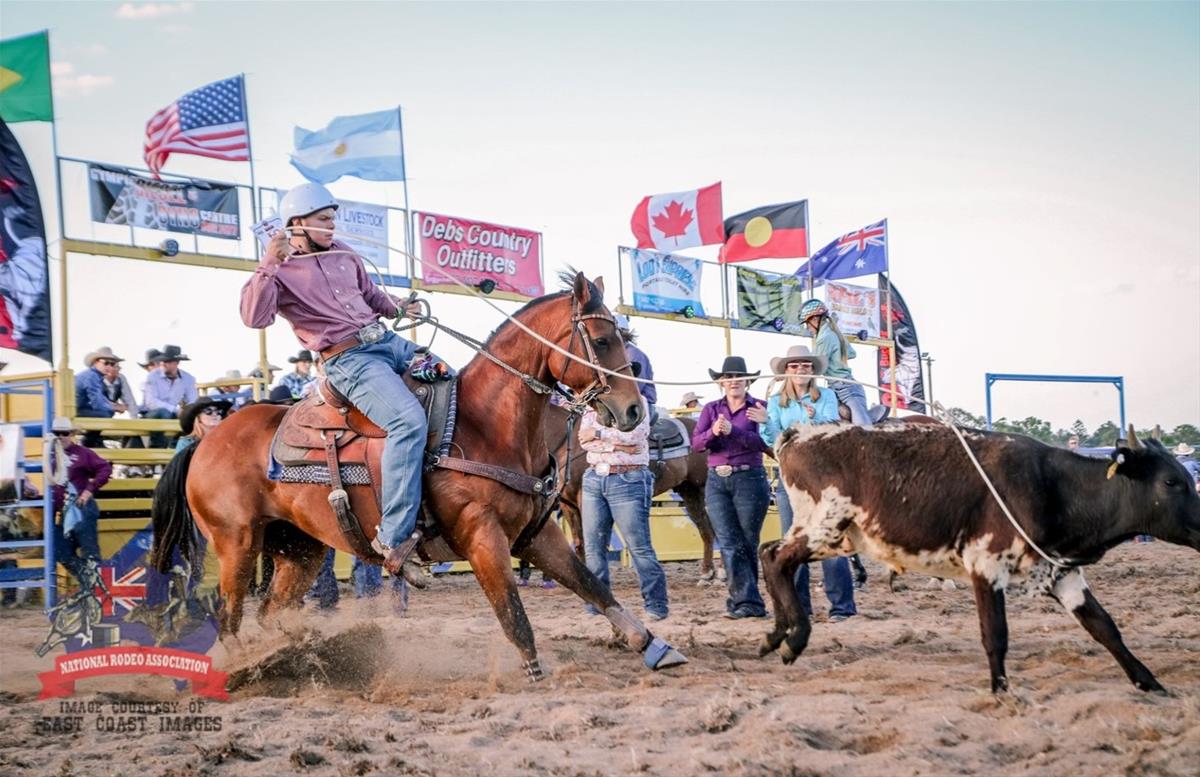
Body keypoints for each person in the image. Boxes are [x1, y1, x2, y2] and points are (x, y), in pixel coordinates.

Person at [240, 181, 429, 587]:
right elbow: (254, 318)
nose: (332, 226)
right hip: (347, 360)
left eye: (333, 218)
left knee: (450, 382)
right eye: (324, 220)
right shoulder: (279, 269)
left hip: (387, 342)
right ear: (297, 224)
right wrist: (267, 263)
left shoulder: (346, 253)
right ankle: (393, 538)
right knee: (407, 422)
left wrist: (400, 308)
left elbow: (371, 297)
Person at [759, 344, 856, 622]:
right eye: (795, 366)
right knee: (794, 541)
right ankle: (799, 606)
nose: (801, 370)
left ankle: (842, 607)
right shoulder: (776, 403)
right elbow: (773, 440)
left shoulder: (826, 395)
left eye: (806, 366)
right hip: (792, 479)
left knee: (832, 540)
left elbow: (833, 428)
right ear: (787, 372)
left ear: (812, 371)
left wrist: (815, 420)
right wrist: (767, 423)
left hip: (825, 479)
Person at [692, 356, 772, 619]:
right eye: (729, 377)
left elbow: (766, 443)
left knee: (747, 541)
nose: (734, 381)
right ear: (721, 382)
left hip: (749, 476)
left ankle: (746, 601)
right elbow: (697, 444)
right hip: (717, 479)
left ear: (748, 381)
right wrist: (715, 431)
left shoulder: (760, 408)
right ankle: (744, 600)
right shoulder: (710, 410)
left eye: (739, 376)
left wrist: (732, 432)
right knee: (727, 542)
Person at [578, 404, 668, 621]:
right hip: (596, 477)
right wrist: (615, 446)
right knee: (593, 548)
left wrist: (598, 434)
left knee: (639, 547)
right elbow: (583, 440)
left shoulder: (639, 402)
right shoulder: (592, 405)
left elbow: (635, 439)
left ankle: (656, 604)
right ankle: (597, 604)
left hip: (628, 478)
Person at [798, 299, 886, 427]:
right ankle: (871, 413)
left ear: (815, 319)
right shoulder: (835, 333)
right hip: (839, 387)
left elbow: (817, 366)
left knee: (863, 428)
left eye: (807, 323)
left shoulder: (824, 338)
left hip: (846, 390)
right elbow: (851, 353)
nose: (808, 328)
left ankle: (874, 414)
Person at [47, 417, 112, 584]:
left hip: (81, 508)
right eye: (57, 433)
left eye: (65, 433)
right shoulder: (50, 456)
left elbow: (104, 468)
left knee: (89, 551)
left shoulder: (82, 453)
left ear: (71, 434)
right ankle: (91, 583)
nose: (61, 436)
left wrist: (88, 491)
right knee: (60, 550)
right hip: (63, 513)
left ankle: (95, 591)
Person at [142, 344, 199, 448]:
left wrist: (186, 411)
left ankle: (176, 449)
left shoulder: (188, 378)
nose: (163, 364)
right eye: (162, 361)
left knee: (190, 417)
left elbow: (193, 400)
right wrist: (176, 410)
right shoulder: (153, 376)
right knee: (164, 413)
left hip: (172, 414)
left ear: (176, 363)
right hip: (151, 414)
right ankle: (157, 449)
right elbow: (150, 402)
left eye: (167, 361)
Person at [75, 346, 125, 447]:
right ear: (96, 362)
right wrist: (114, 407)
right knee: (105, 413)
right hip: (75, 410)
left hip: (77, 408)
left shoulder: (93, 376)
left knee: (105, 411)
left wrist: (112, 405)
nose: (109, 367)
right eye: (106, 363)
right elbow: (97, 403)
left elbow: (99, 399)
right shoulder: (92, 377)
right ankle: (89, 441)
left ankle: (93, 440)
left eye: (112, 364)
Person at [614, 313, 657, 420]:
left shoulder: (633, 354)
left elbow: (636, 386)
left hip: (640, 404)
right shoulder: (617, 354)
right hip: (622, 403)